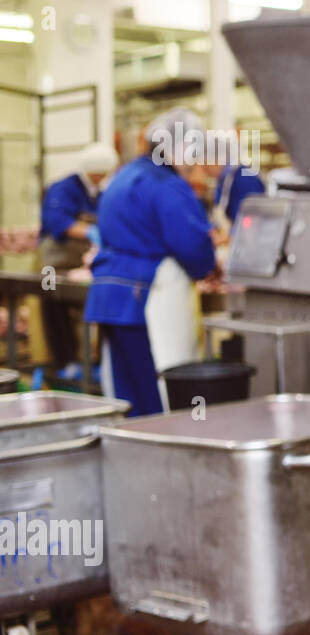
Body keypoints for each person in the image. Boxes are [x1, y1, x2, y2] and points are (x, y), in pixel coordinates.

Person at [85, 108, 218, 416]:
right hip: (147, 299)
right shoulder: (166, 185)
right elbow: (194, 248)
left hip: (111, 298)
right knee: (160, 395)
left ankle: (132, 457)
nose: (194, 163)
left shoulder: (123, 177)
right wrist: (207, 264)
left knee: (126, 395)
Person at [37, 142, 118, 381]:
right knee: (54, 305)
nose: (99, 177)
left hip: (88, 266)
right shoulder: (63, 188)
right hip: (56, 264)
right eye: (96, 173)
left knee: (101, 310)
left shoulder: (104, 192)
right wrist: (91, 232)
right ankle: (63, 364)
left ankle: (98, 364)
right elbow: (57, 222)